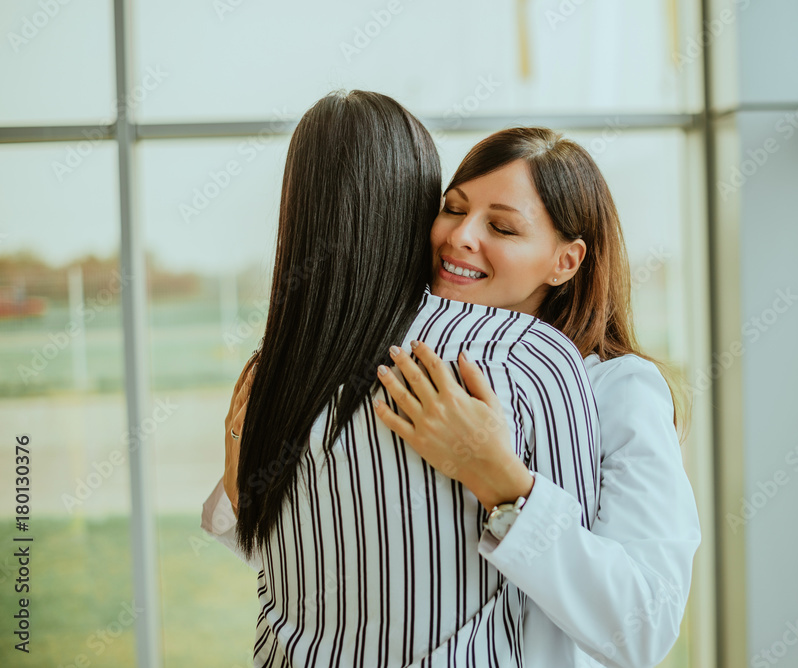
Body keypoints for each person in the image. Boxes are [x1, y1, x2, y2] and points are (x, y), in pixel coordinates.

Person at [210, 125, 702, 667]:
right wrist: (244, 485)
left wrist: (503, 483)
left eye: (502, 227)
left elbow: (644, 627)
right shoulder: (390, 360)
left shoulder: (617, 390)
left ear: (566, 260)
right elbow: (351, 566)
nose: (459, 237)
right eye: (453, 208)